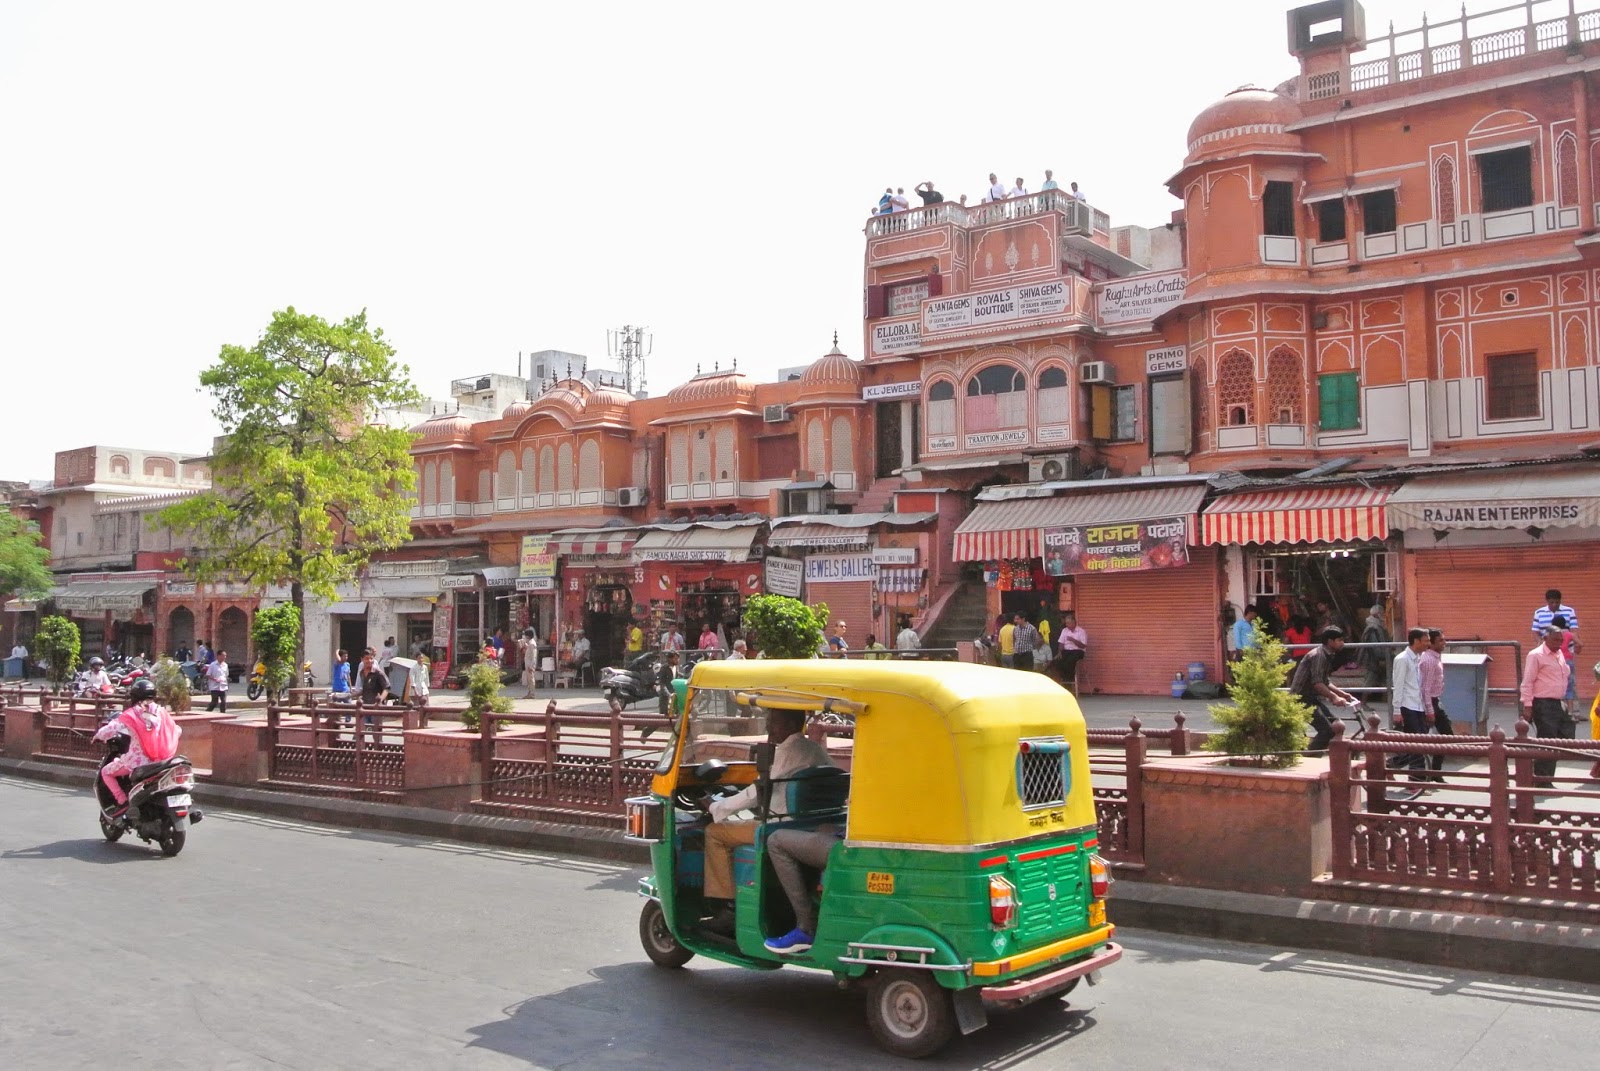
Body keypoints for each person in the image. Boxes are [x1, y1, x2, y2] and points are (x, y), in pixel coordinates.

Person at [701, 707, 833, 936]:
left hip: (779, 825)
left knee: (715, 833)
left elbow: (759, 791)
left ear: (792, 725)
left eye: (774, 721)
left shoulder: (788, 750)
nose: (769, 727)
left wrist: (716, 806)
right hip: (807, 823)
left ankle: (728, 910)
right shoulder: (813, 748)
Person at [93, 679, 181, 816]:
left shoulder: (133, 713)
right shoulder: (162, 712)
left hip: (139, 762)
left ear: (134, 697)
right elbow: (176, 730)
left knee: (106, 772)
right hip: (164, 761)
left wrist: (98, 737)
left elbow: (111, 729)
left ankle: (122, 801)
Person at [764, 819, 845, 954]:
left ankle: (807, 927)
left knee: (776, 840)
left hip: (858, 843)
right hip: (860, 834)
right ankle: (821, 907)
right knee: (823, 827)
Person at [1288, 627, 1360, 753]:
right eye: (1339, 640)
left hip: (1311, 698)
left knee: (1336, 727)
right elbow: (1317, 683)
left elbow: (1325, 681)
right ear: (1329, 641)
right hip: (1301, 699)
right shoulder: (1318, 655)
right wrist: (1334, 697)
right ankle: (1309, 758)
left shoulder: (1327, 654)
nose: (1342, 643)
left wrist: (1342, 694)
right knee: (1327, 731)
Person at [1521, 626, 1574, 785]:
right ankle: (1543, 779)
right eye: (1555, 640)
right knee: (1548, 742)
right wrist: (1528, 706)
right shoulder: (1536, 655)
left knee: (1566, 736)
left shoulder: (1559, 654)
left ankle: (1538, 771)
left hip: (1558, 702)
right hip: (1543, 703)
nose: (1559, 643)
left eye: (1561, 640)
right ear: (1545, 639)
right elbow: (1527, 682)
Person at [1390, 628, 1430, 777]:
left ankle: (1388, 766)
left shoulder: (1419, 658)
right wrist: (1396, 710)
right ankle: (1416, 781)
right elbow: (1398, 685)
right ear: (1416, 641)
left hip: (1418, 705)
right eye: (1425, 641)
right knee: (1416, 744)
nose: (1428, 644)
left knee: (1417, 743)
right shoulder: (1402, 659)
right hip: (1407, 706)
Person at [1417, 628, 1454, 782]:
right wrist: (1430, 710)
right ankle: (1391, 764)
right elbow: (1425, 688)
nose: (1444, 643)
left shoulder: (1435, 657)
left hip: (1435, 701)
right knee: (1419, 742)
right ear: (1431, 644)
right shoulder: (1429, 660)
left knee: (1446, 736)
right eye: (1440, 640)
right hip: (1429, 702)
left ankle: (1435, 772)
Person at [648, 651, 680, 743]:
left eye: (677, 658)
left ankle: (678, 738)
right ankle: (647, 731)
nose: (677, 660)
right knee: (662, 719)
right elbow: (661, 683)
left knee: (678, 716)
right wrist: (668, 694)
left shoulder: (675, 667)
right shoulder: (664, 668)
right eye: (675, 658)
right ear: (670, 659)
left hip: (674, 696)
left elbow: (676, 678)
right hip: (665, 698)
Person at [1553, 614, 1583, 708]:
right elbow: (1581, 643)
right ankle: (1571, 712)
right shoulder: (1569, 634)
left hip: (1556, 662)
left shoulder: (1553, 635)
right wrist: (1574, 648)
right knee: (1569, 687)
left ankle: (1561, 710)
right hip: (1568, 661)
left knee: (1557, 686)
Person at [1360, 605, 1391, 691]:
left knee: (1385, 679)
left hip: (1378, 657)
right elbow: (1374, 645)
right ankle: (1363, 702)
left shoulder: (1378, 626)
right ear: (1376, 614)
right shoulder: (1373, 628)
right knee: (1370, 679)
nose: (1383, 615)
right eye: (1381, 613)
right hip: (1373, 658)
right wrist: (1381, 656)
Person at [1057, 611, 1088, 693]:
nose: (1067, 625)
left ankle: (1069, 683)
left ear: (1074, 622)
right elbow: (1061, 643)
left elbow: (1083, 645)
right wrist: (1059, 652)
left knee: (1070, 661)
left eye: (1069, 623)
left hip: (1078, 651)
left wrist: (1073, 640)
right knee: (1059, 661)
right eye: (1066, 623)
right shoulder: (1064, 630)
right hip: (1067, 650)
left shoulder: (1081, 631)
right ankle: (1065, 681)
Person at [518, 627, 539, 698]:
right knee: (529, 679)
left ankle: (532, 693)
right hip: (527, 663)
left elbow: (534, 656)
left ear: (528, 636)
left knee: (531, 679)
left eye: (525, 635)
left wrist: (532, 666)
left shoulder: (532, 644)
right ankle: (529, 693)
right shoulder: (529, 643)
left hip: (530, 664)